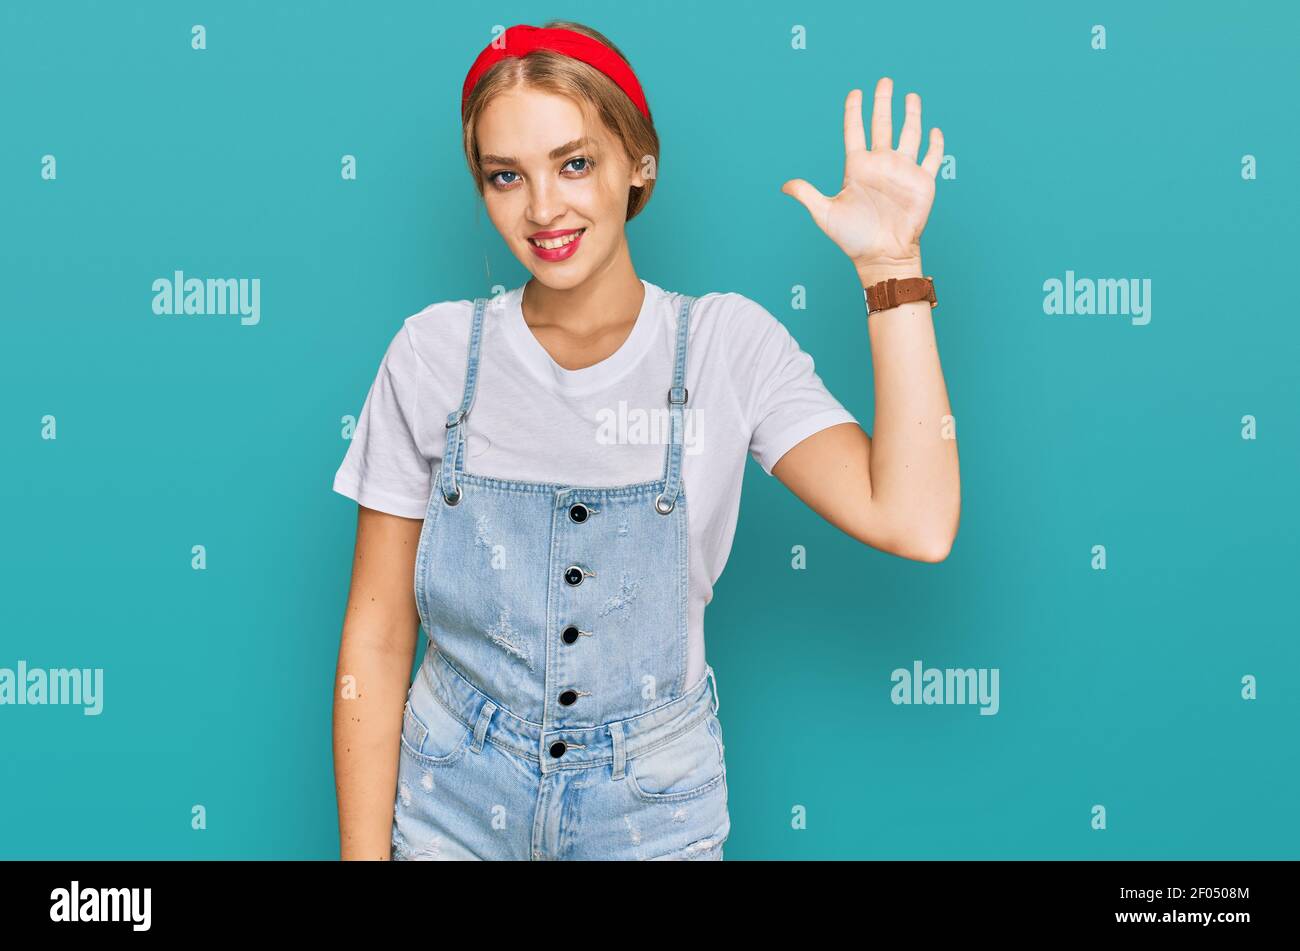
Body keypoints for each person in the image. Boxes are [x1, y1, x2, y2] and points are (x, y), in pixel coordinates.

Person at [331, 19, 959, 861]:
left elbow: (915, 520)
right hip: (451, 803)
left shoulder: (727, 347)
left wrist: (891, 270)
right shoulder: (433, 355)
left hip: (653, 812)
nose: (543, 207)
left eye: (575, 162)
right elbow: (374, 640)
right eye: (506, 175)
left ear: (639, 163)